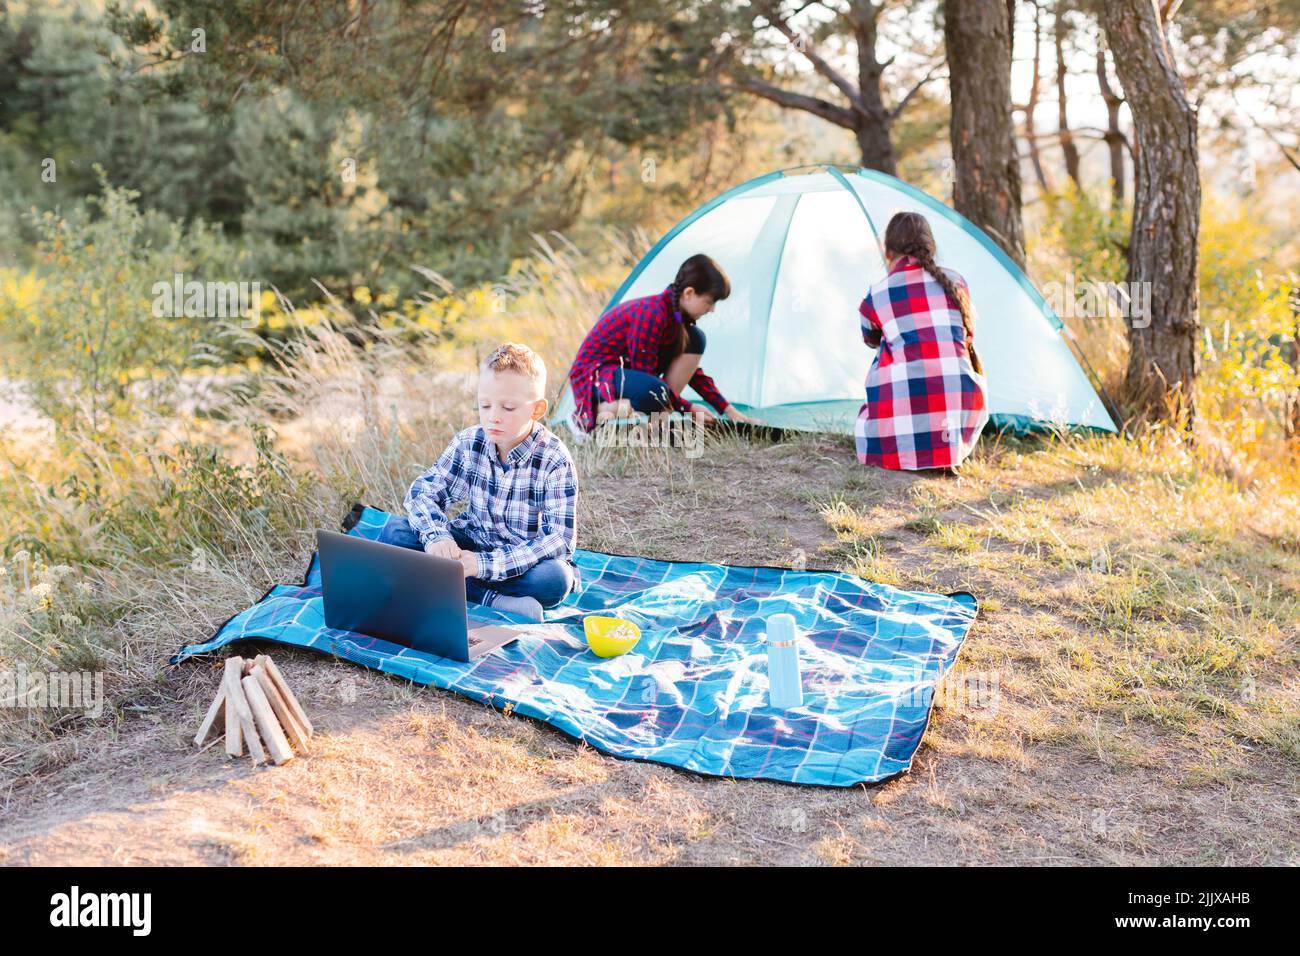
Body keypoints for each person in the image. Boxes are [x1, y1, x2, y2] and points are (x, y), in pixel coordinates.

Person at [376, 342, 578, 623]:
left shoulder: (554, 459)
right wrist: (438, 537)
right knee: (394, 534)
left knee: (555, 579)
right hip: (470, 542)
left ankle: (453, 585)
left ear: (537, 409)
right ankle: (492, 600)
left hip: (520, 562)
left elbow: (558, 541)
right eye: (485, 405)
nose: (493, 416)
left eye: (508, 407)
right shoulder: (471, 442)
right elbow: (423, 492)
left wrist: (481, 565)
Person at [565, 253, 762, 432]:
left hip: (629, 375)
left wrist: (726, 409)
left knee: (695, 339)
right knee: (653, 392)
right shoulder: (651, 315)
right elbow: (648, 380)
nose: (712, 310)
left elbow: (692, 372)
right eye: (709, 302)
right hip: (597, 375)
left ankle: (656, 420)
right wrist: (688, 408)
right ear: (689, 293)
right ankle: (589, 415)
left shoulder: (677, 320)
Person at [856, 211, 989, 471]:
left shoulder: (877, 293)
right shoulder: (956, 281)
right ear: (931, 247)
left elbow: (869, 338)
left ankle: (906, 436)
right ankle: (946, 449)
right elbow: (968, 335)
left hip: (900, 426)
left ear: (887, 251)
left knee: (888, 347)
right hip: (959, 410)